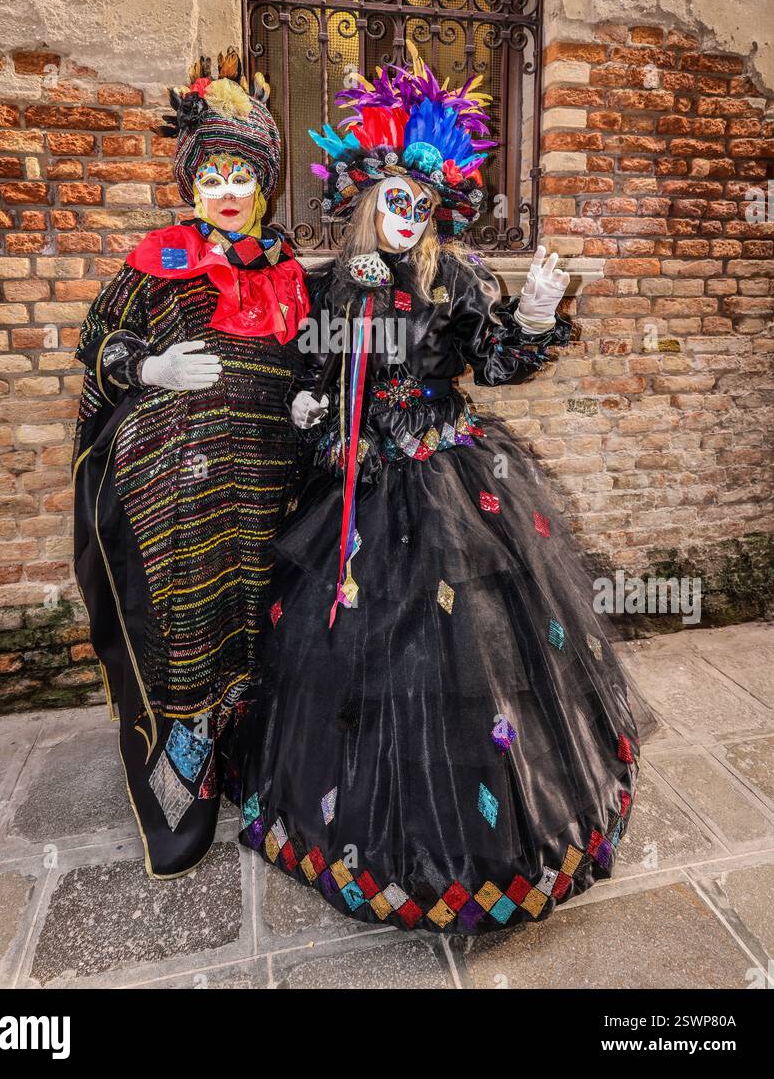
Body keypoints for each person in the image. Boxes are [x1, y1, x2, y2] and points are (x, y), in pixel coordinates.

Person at [230, 53, 654, 932]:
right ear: (367, 200)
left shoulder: (452, 280)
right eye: (394, 200)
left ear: (435, 212)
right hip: (355, 483)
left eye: (420, 206)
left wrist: (534, 316)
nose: (405, 216)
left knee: (472, 650)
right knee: (359, 647)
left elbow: (492, 363)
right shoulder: (328, 283)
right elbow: (303, 378)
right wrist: (311, 407)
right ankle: (354, 832)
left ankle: (489, 840)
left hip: (446, 473)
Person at [72, 57, 309, 877]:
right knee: (186, 629)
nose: (227, 188)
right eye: (211, 174)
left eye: (242, 173)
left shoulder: (286, 272)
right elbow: (93, 343)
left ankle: (251, 772)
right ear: (193, 186)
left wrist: (304, 405)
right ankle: (181, 810)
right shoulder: (158, 260)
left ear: (266, 184)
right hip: (177, 492)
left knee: (255, 627)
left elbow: (305, 368)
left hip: (266, 491)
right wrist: (150, 370)